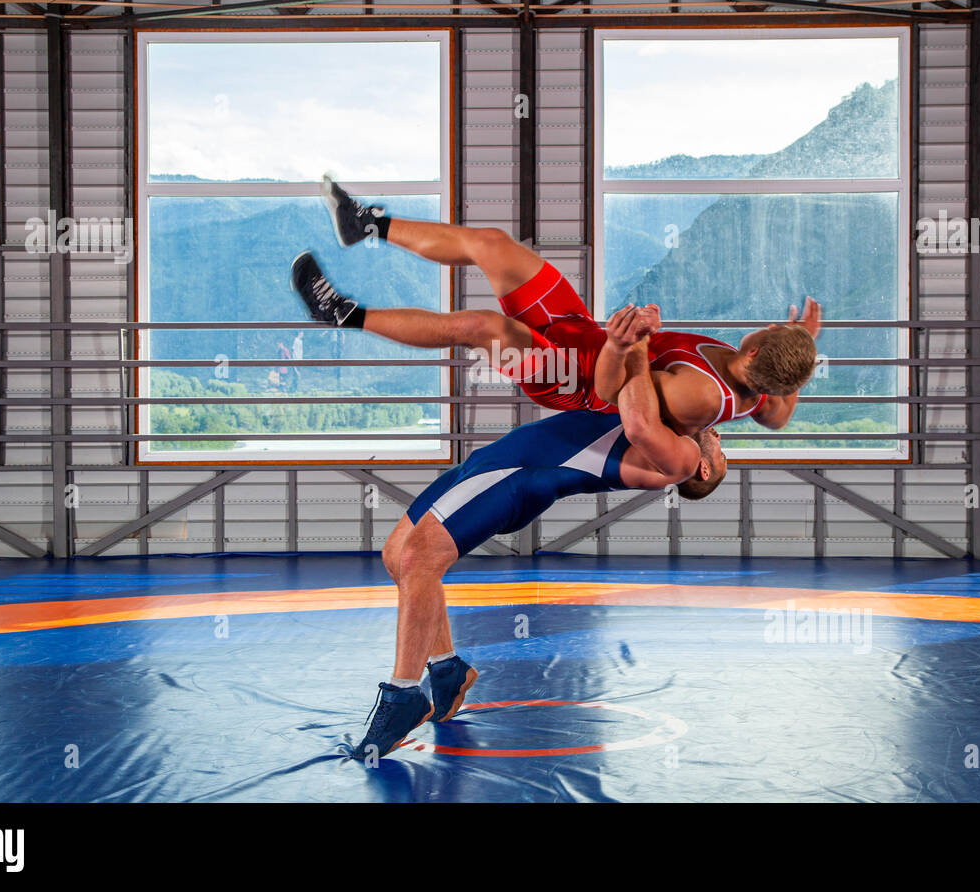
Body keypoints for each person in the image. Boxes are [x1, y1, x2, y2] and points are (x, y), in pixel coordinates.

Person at [353, 319, 725, 761]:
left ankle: (403, 694)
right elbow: (618, 385)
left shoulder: (680, 458)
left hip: (516, 478)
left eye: (721, 451)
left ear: (703, 469)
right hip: (495, 461)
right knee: (397, 554)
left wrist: (641, 346)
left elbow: (638, 415)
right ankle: (447, 668)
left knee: (419, 559)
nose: (719, 435)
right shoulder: (666, 423)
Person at [293, 176, 823, 441]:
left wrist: (633, 342)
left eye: (772, 329)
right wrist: (804, 345)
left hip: (571, 377)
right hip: (581, 330)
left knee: (480, 326)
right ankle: (366, 224)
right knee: (492, 244)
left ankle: (339, 312)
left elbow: (611, 395)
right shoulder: (763, 384)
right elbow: (778, 416)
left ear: (755, 354)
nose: (768, 324)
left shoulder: (702, 396)